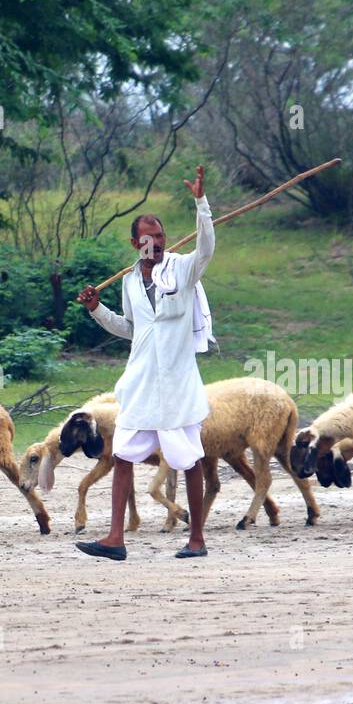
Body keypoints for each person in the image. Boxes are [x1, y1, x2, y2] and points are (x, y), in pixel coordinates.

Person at [75, 166, 215, 560]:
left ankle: (197, 539)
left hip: (176, 386)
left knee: (189, 461)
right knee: (121, 457)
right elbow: (132, 329)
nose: (155, 242)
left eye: (161, 236)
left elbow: (207, 248)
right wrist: (95, 309)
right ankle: (115, 539)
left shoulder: (184, 269)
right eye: (148, 237)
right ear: (136, 241)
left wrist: (200, 202)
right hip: (139, 384)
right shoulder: (129, 282)